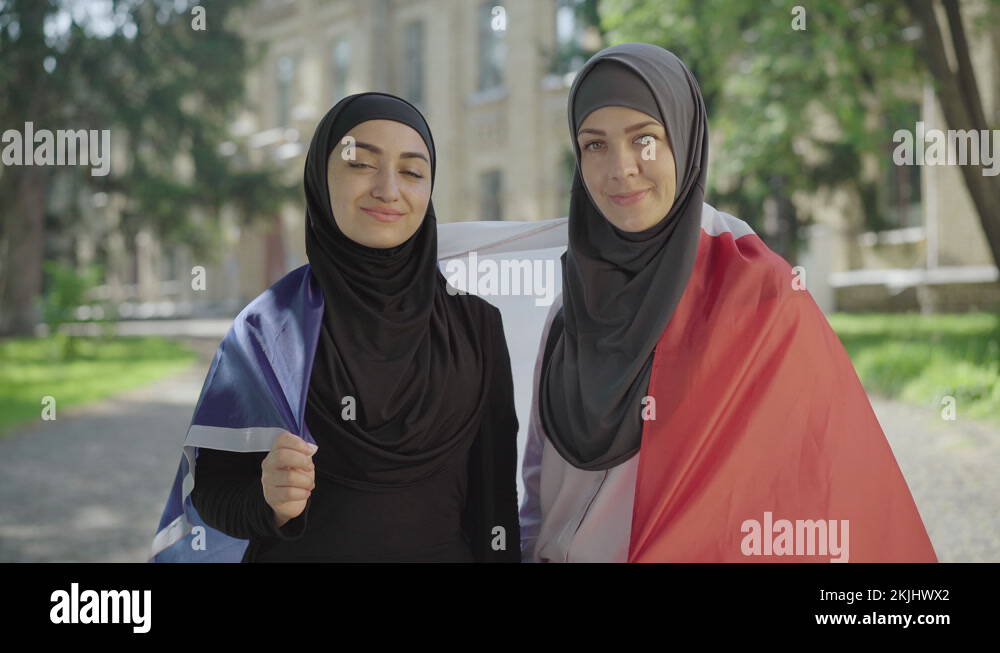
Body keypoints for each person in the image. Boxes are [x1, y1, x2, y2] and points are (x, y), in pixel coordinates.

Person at [518, 43, 938, 563]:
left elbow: (819, 480)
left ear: (686, 140)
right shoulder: (568, 311)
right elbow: (538, 480)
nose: (621, 168)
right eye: (595, 144)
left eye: (645, 139)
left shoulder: (760, 297)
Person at [152, 92, 520, 562]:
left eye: (411, 171)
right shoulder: (269, 329)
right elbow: (212, 492)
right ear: (320, 178)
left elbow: (495, 504)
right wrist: (269, 503)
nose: (389, 189)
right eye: (361, 164)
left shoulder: (476, 325)